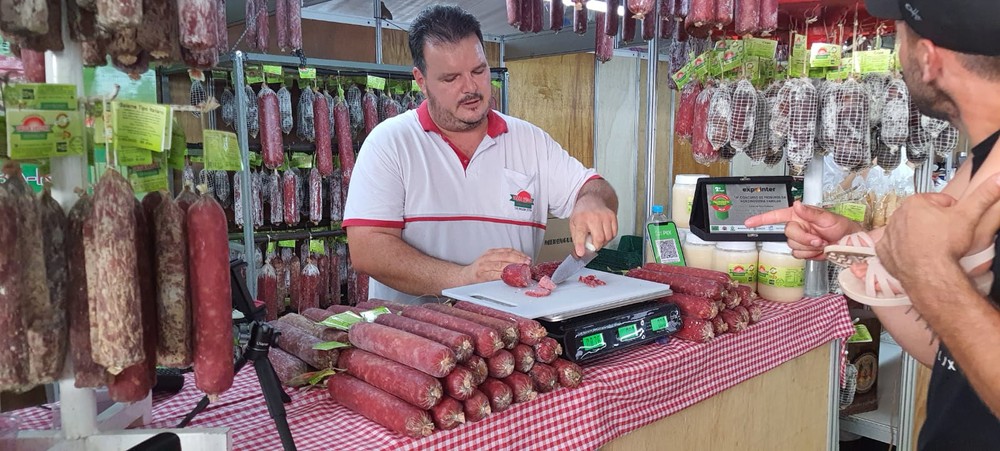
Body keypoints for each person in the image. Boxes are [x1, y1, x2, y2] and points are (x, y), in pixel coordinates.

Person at [747, 1, 1000, 447]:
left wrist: (929, 270)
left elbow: (945, 295)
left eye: (899, 33)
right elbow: (957, 352)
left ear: (928, 56)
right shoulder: (982, 164)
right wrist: (854, 247)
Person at [342, 5, 619, 304]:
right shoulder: (390, 143)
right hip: (413, 337)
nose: (471, 87)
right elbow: (368, 251)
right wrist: (463, 278)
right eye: (451, 78)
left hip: (513, 334)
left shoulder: (531, 140)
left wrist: (592, 200)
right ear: (421, 81)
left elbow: (593, 187)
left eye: (478, 70)